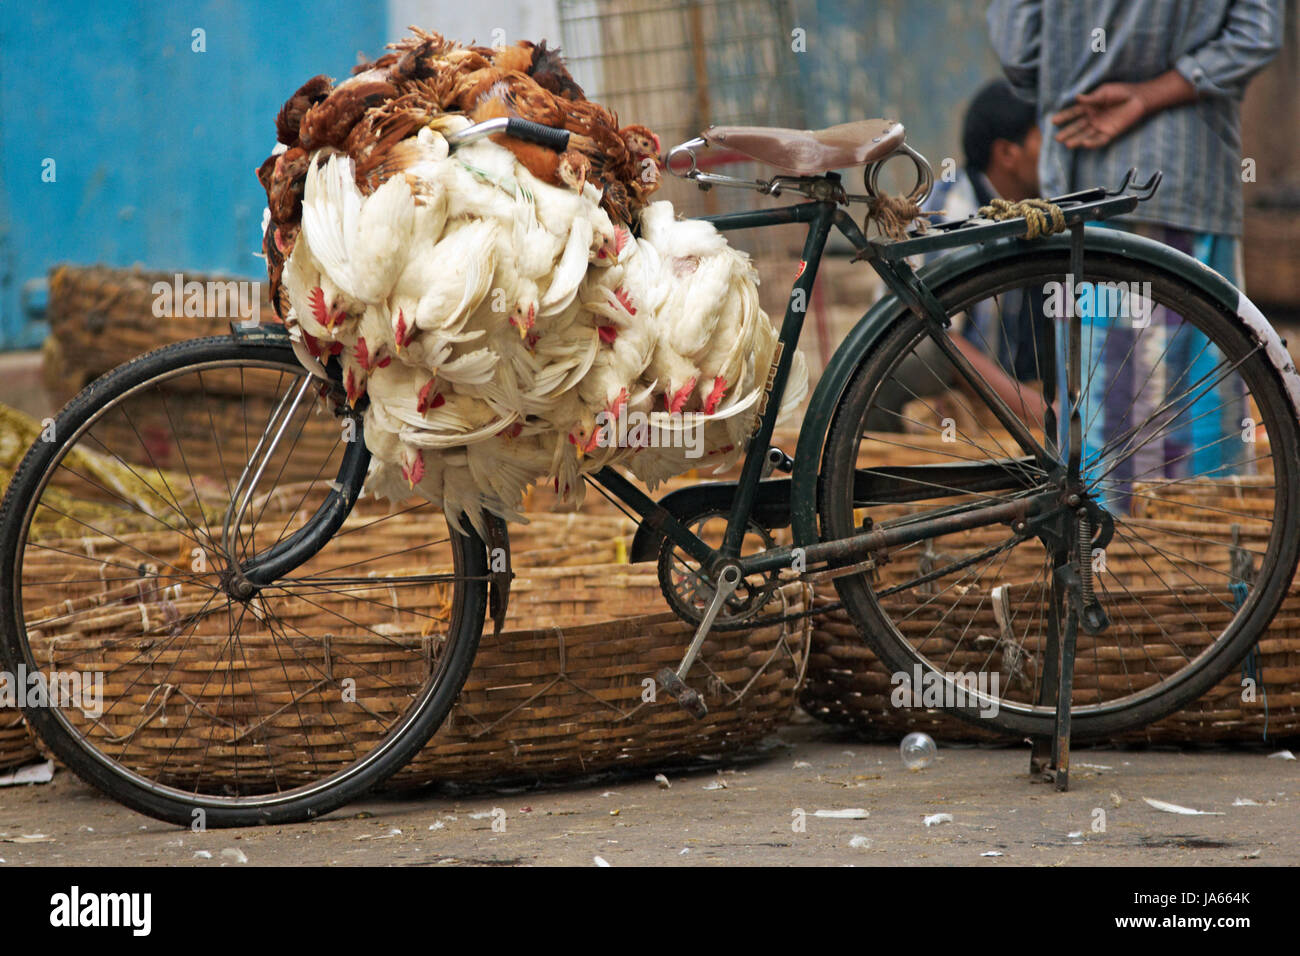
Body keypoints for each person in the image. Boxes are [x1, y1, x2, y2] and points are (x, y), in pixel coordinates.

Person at [987, 0, 1283, 492]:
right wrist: (1150, 93)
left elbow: (1020, 54)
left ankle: (1103, 555)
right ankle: (1209, 549)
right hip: (1187, 178)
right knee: (1202, 405)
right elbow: (1257, 32)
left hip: (1088, 191)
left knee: (1104, 409)